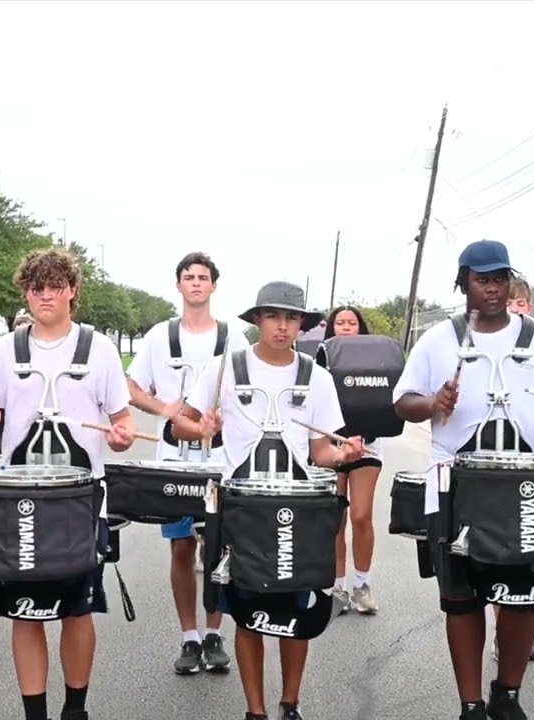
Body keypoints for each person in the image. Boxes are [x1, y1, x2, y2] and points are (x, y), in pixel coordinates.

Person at [392, 240, 534, 720]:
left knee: (522, 595)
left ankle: (507, 695)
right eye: (482, 279)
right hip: (454, 483)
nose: (493, 288)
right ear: (463, 283)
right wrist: (434, 404)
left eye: (500, 279)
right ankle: (470, 705)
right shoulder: (439, 339)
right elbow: (403, 402)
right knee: (462, 599)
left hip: (524, 486)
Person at [0, 247, 137, 720]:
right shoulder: (3, 348)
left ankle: (75, 709)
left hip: (80, 500)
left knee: (79, 609)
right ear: (27, 293)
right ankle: (34, 712)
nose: (46, 295)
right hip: (18, 500)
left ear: (73, 291)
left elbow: (121, 422)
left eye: (56, 286)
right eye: (37, 288)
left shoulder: (98, 348)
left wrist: (120, 436)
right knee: (24, 610)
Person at [173, 280, 365, 720]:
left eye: (292, 318)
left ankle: (290, 703)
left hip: (296, 507)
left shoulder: (316, 376)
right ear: (258, 319)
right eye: (274, 316)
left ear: (302, 324)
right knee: (247, 608)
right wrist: (202, 428)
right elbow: (180, 424)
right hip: (240, 505)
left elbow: (320, 452)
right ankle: (255, 709)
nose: (283, 326)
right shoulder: (225, 368)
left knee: (296, 603)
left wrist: (343, 455)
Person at [126, 251, 247, 676]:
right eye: (188, 277)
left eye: (203, 277)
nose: (196, 283)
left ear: (214, 285)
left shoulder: (235, 338)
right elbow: (131, 385)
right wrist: (164, 410)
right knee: (181, 547)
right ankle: (189, 637)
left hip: (221, 460)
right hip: (174, 460)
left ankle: (215, 634)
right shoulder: (161, 335)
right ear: (178, 285)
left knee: (216, 547)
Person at [322, 305, 382, 615]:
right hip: (328, 447)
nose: (346, 327)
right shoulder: (319, 361)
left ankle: (362, 585)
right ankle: (337, 587)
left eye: (352, 322)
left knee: (360, 515)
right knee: (335, 518)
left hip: (366, 445)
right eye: (340, 323)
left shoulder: (376, 362)